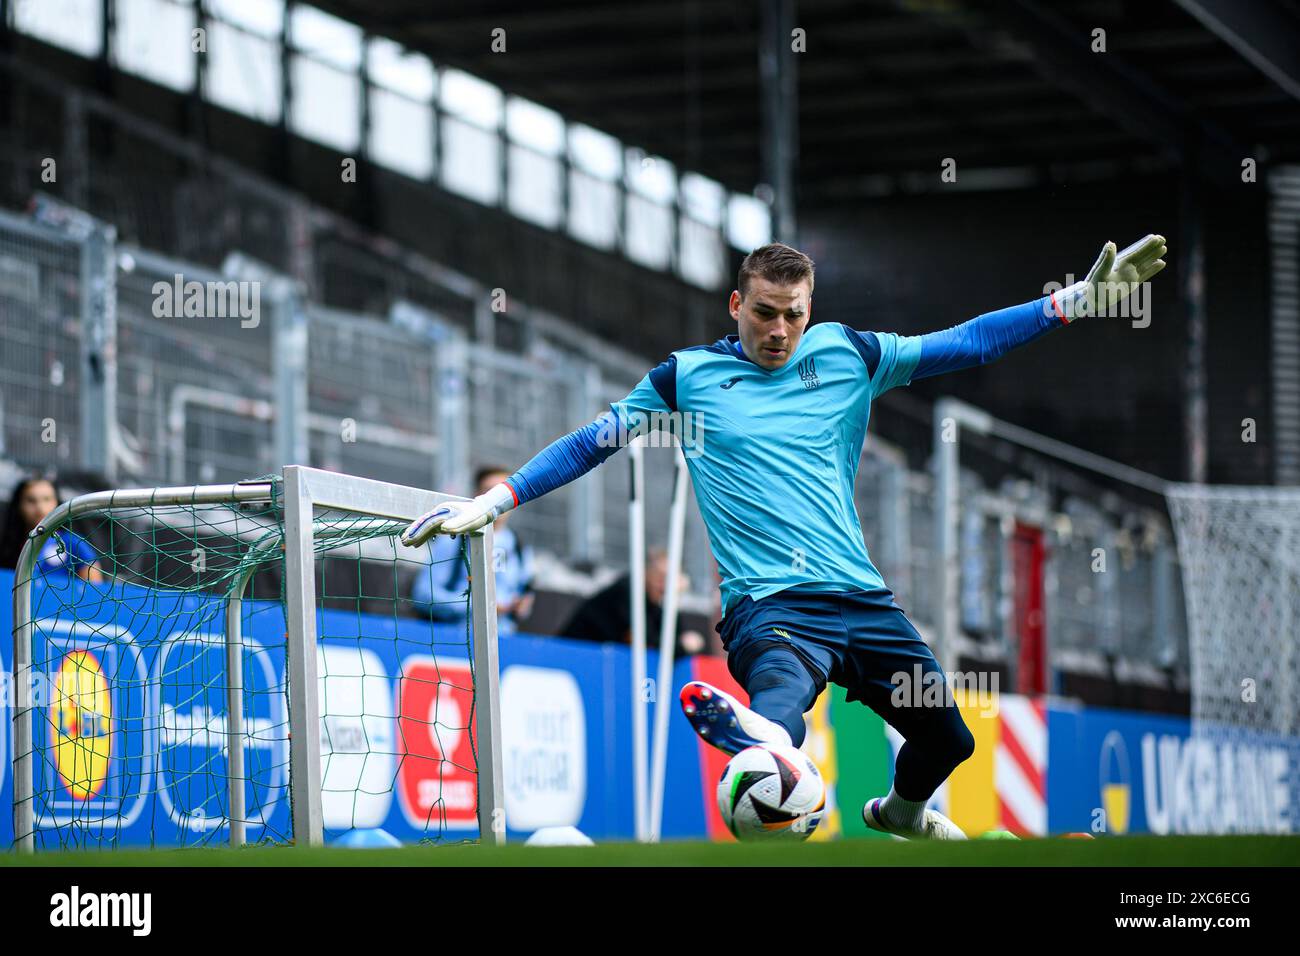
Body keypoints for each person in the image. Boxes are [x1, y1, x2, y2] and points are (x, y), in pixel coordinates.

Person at [401, 236, 1168, 839]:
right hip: (771, 605)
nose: (779, 330)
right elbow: (593, 441)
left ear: (811, 309)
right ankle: (763, 737)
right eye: (764, 312)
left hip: (864, 603)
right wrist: (498, 499)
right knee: (782, 697)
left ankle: (897, 814)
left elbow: (965, 343)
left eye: (793, 313)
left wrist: (1074, 301)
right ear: (737, 303)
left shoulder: (849, 354)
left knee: (949, 742)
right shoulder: (687, 379)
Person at [410, 466, 534, 635]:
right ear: (478, 495)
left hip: (505, 641)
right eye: (490, 492)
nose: (499, 500)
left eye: (505, 493)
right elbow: (424, 595)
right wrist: (479, 605)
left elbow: (523, 596)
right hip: (457, 639)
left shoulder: (520, 546)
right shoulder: (452, 538)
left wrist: (520, 606)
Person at [560, 548, 707, 656]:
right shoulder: (628, 590)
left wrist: (674, 599)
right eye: (659, 576)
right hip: (572, 652)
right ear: (646, 572)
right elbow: (648, 642)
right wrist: (683, 646)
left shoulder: (655, 601)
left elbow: (670, 637)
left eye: (670, 579)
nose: (663, 584)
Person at [0, 476, 103, 582]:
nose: (40, 507)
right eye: (31, 500)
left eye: (47, 499)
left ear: (57, 503)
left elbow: (94, 589)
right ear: (19, 505)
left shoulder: (74, 544)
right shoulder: (8, 546)